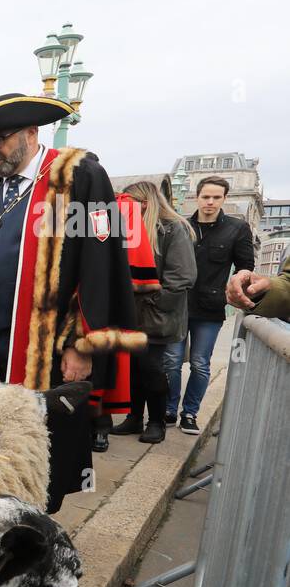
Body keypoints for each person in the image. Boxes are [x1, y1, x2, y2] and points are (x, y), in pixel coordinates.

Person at [0, 93, 141, 513]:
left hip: (40, 347)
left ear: (32, 132)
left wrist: (81, 343)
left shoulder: (80, 175)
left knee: (32, 446)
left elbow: (102, 264)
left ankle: (29, 526)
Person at [164, 176, 255, 434]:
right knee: (170, 361)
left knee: (200, 363)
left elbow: (246, 265)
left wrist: (240, 281)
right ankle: (169, 409)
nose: (210, 202)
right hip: (178, 305)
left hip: (210, 307)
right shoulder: (180, 225)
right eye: (206, 197)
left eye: (216, 197)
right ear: (197, 197)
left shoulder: (237, 228)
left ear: (224, 198)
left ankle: (190, 413)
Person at [108, 181, 197, 442]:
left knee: (151, 368)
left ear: (144, 203)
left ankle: (156, 421)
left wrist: (154, 302)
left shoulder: (173, 228)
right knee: (134, 367)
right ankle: (135, 418)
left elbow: (182, 276)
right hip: (133, 313)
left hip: (156, 314)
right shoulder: (133, 228)